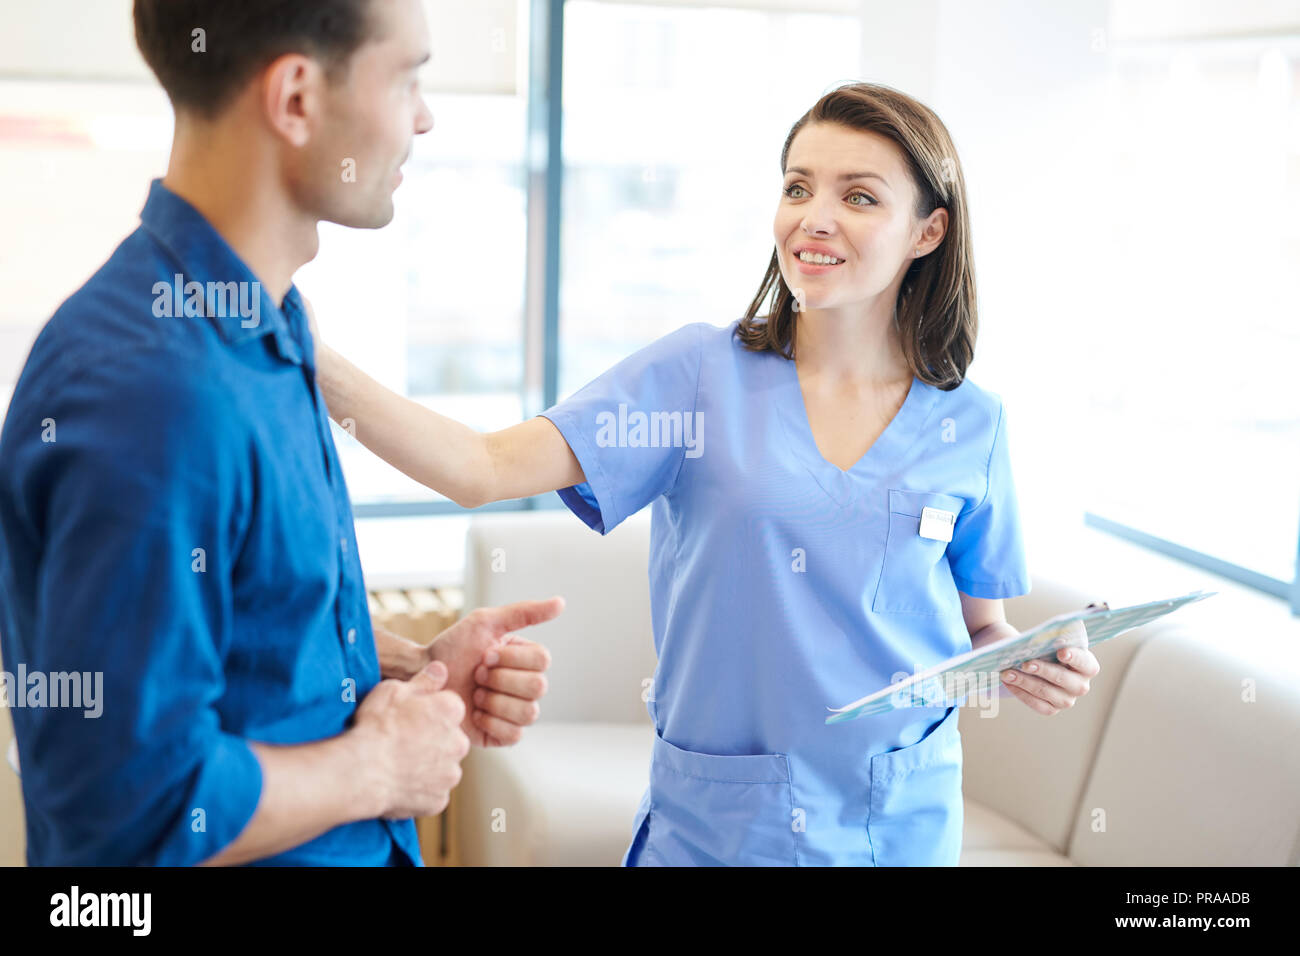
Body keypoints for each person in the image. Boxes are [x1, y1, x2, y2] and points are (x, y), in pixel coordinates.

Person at [314, 82, 1102, 866]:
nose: (813, 217)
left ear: (928, 232)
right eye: (798, 186)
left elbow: (978, 632)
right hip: (724, 831)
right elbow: (479, 467)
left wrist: (1018, 662)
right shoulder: (697, 376)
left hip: (901, 827)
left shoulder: (973, 422)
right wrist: (305, 352)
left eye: (858, 196)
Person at [0, 0, 558, 866]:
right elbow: (129, 814)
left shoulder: (273, 326)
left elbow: (245, 626)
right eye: (406, 76)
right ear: (296, 99)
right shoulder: (150, 389)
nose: (424, 116)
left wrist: (412, 669)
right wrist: (378, 767)